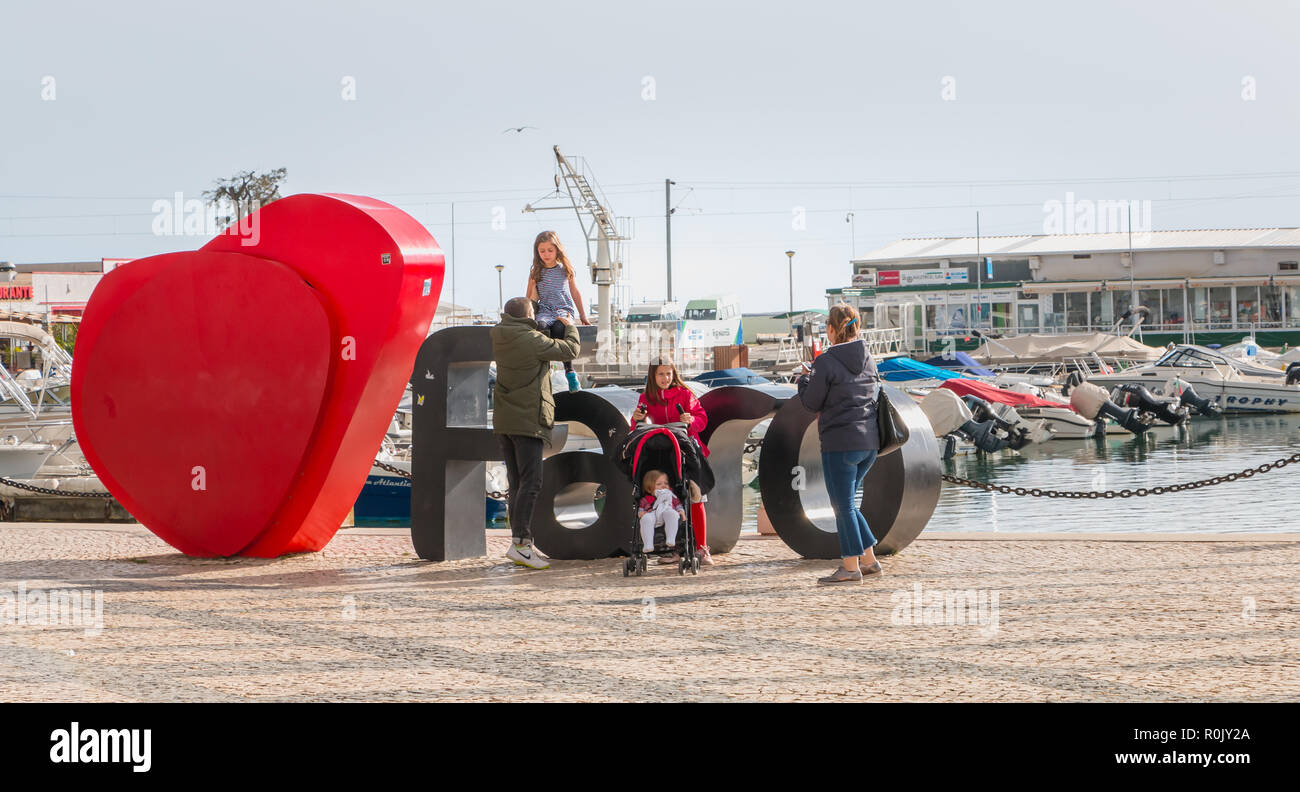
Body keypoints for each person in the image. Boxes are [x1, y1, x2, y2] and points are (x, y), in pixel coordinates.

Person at [491, 296, 580, 569]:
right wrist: (570, 325)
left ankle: (520, 543)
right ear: (526, 315)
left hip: (506, 420)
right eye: (533, 311)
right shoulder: (532, 340)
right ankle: (520, 544)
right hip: (528, 419)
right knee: (532, 483)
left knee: (517, 484)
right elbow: (570, 350)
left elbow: (527, 335)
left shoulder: (500, 335)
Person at [796, 303, 882, 585]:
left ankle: (849, 566)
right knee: (848, 504)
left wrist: (804, 380)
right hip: (868, 442)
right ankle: (869, 561)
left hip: (840, 443)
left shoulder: (826, 362)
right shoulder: (868, 357)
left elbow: (811, 403)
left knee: (842, 507)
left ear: (831, 330)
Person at [630, 356, 713, 566]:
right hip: (662, 456)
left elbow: (702, 420)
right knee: (669, 501)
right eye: (661, 374)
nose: (665, 378)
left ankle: (702, 548)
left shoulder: (685, 394)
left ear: (674, 374)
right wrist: (637, 418)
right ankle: (676, 549)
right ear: (653, 376)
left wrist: (691, 420)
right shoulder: (646, 398)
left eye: (669, 373)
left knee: (695, 496)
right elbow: (636, 428)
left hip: (686, 453)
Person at [525, 230, 590, 392]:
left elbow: (575, 292)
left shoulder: (565, 269)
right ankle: (542, 370)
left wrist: (582, 315)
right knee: (541, 329)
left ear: (557, 250)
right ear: (537, 252)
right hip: (545, 310)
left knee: (560, 330)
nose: (546, 254)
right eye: (542, 251)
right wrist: (527, 318)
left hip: (562, 309)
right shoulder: (535, 272)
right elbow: (528, 297)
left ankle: (570, 371)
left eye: (550, 250)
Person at [637, 469, 686, 564]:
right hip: (652, 515)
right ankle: (648, 544)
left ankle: (671, 539)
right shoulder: (646, 499)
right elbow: (641, 510)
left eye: (666, 483)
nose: (664, 486)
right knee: (646, 519)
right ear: (649, 488)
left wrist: (681, 512)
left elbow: (678, 505)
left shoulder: (671, 496)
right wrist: (641, 513)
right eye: (659, 484)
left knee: (672, 514)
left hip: (667, 512)